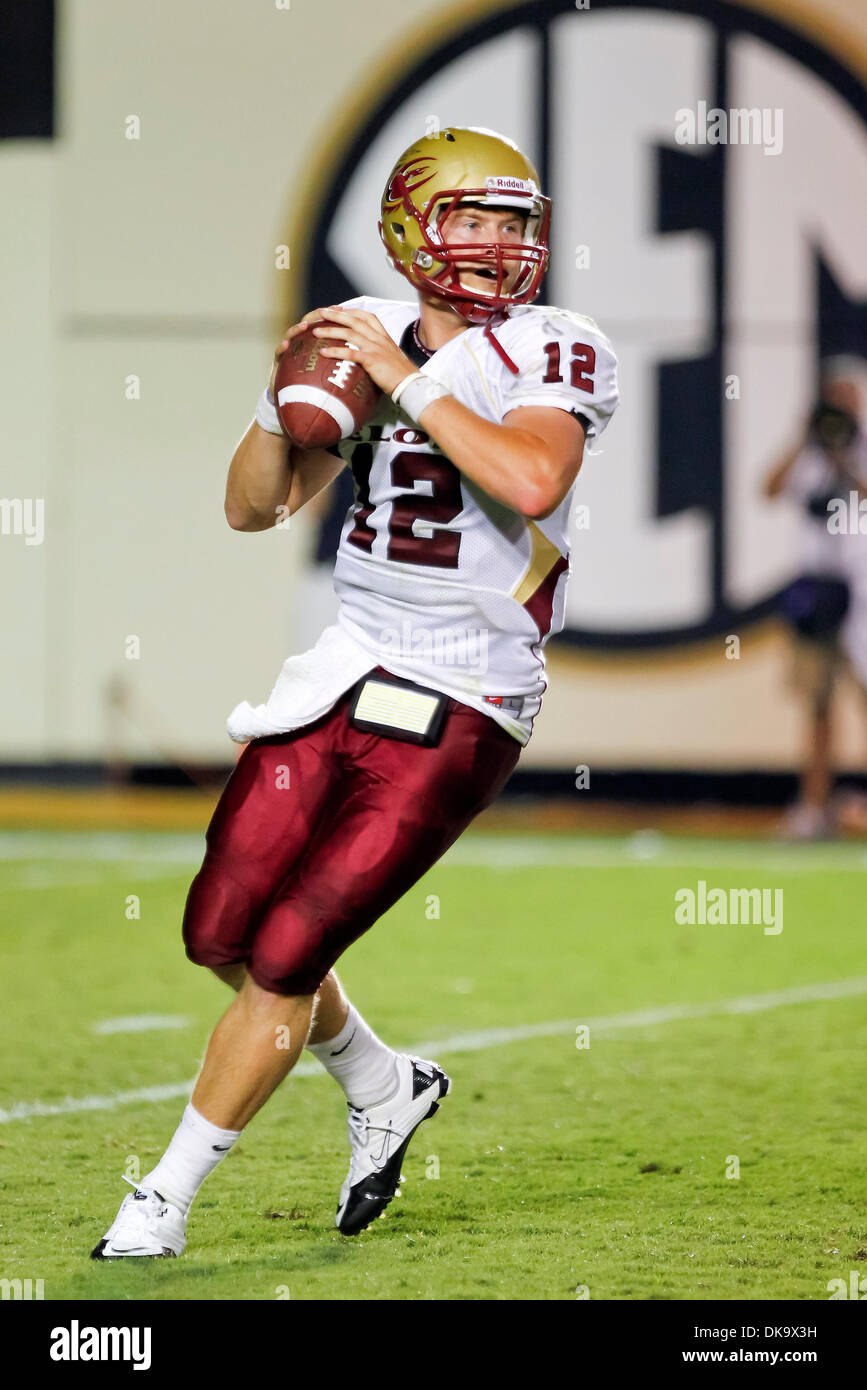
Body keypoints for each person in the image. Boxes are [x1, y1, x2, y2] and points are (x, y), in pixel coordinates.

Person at [91, 127, 619, 1258]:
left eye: (517, 221)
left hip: (468, 690)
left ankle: (164, 1199)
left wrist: (400, 375)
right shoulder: (369, 336)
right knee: (219, 930)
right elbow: (252, 508)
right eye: (473, 217)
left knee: (286, 955)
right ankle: (385, 1081)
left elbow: (532, 476)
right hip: (344, 665)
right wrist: (288, 395)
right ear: (409, 226)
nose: (500, 243)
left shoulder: (555, 345)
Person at [764, 357, 867, 838]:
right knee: (817, 704)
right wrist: (805, 437)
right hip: (817, 591)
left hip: (861, 592)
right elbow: (768, 489)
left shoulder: (859, 450)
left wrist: (845, 453)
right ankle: (815, 804)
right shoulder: (809, 452)